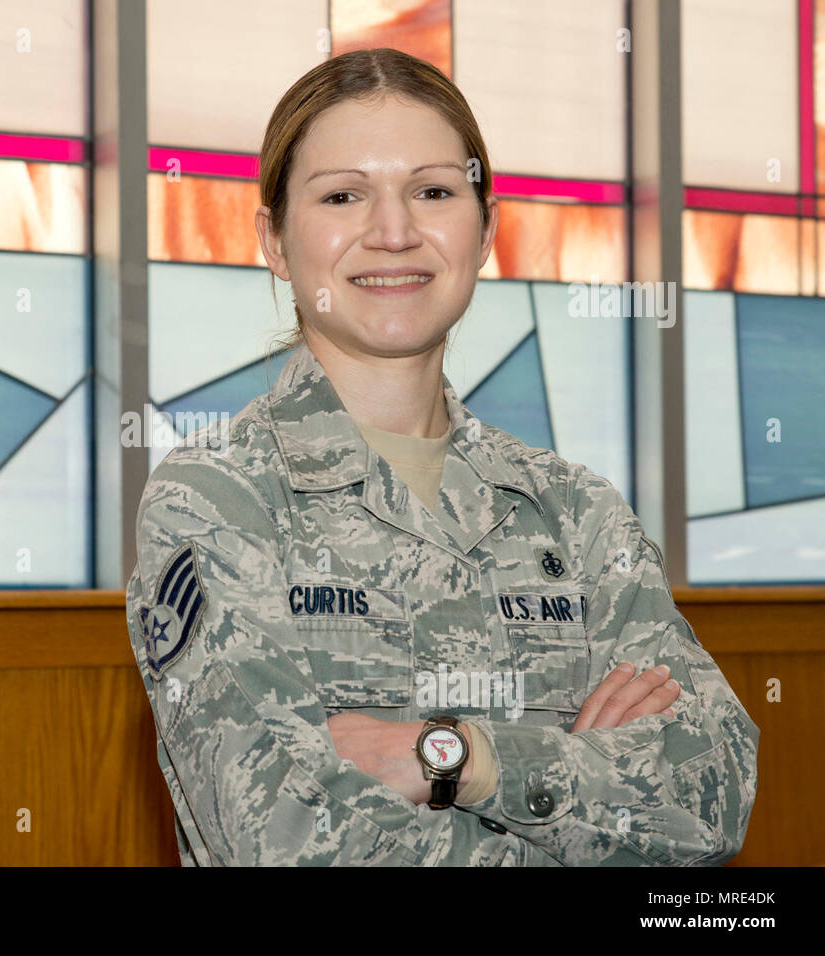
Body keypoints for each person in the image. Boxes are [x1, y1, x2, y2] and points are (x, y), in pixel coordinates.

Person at [123, 48, 759, 866]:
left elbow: (714, 789)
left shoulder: (574, 512)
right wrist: (586, 801)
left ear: (486, 230)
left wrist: (456, 756)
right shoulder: (218, 498)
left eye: (432, 192)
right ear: (275, 240)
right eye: (344, 195)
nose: (394, 233)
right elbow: (283, 839)